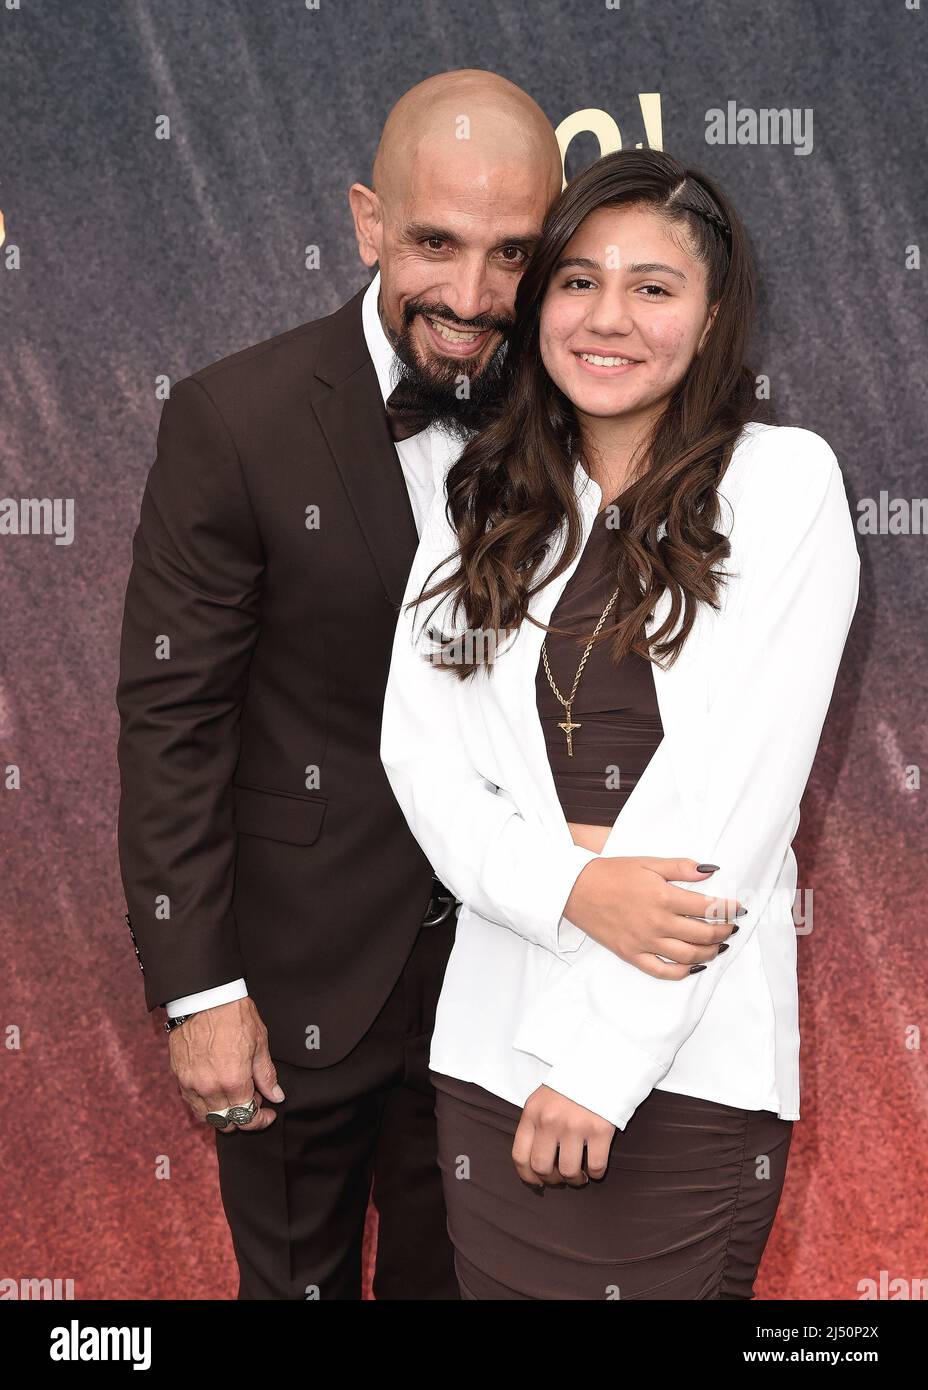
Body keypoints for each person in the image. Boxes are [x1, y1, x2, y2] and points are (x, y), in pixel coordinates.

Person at [115, 67, 571, 1300]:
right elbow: (175, 720)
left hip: (506, 985)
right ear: (369, 221)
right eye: (434, 242)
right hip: (292, 982)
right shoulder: (236, 416)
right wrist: (199, 990)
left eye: (512, 254)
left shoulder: (581, 407)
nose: (471, 298)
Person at [380, 148, 861, 1300]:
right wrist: (571, 886)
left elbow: (734, 801)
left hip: (686, 1057)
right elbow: (423, 759)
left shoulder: (784, 484)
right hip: (489, 1048)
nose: (609, 317)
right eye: (577, 280)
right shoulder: (480, 501)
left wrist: (602, 1066)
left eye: (653, 287)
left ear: (711, 318)